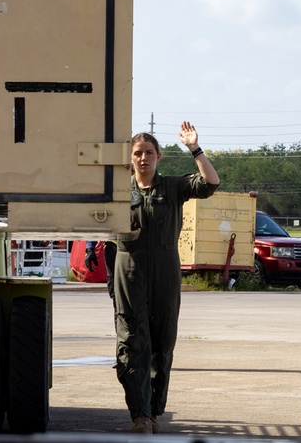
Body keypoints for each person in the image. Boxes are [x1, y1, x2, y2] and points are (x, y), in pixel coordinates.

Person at [114, 121, 220, 434]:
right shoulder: (117, 189)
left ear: (159, 156)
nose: (143, 158)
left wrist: (195, 148)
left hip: (165, 271)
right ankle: (140, 416)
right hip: (129, 269)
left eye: (149, 152)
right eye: (137, 153)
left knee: (162, 342)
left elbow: (211, 182)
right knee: (133, 342)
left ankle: (154, 411)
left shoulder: (172, 187)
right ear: (129, 158)